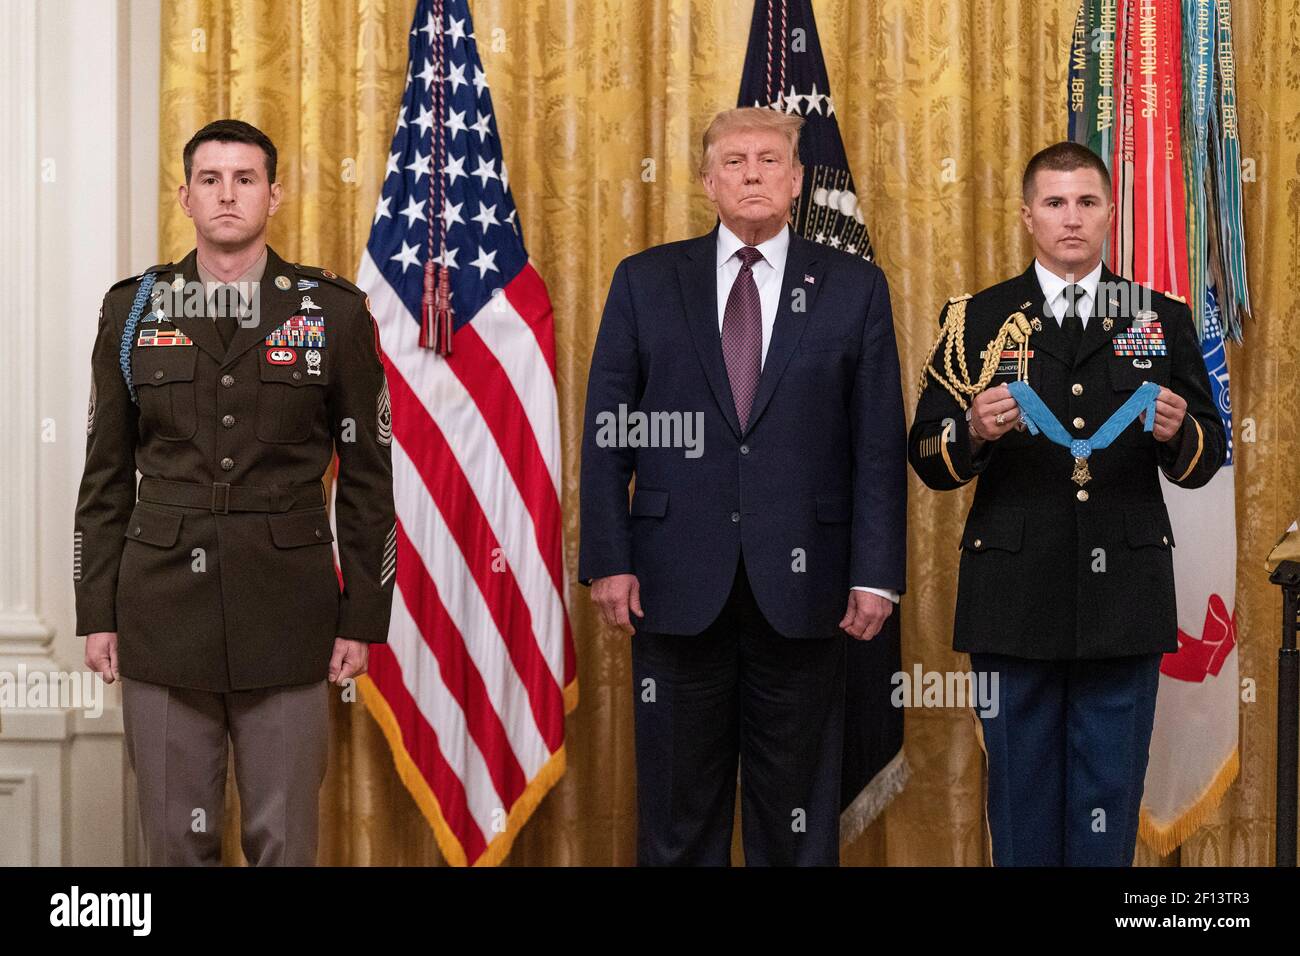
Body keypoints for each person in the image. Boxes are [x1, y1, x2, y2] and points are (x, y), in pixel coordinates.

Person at [579, 107, 907, 866]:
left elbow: (878, 446)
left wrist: (876, 576)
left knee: (794, 821)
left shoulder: (854, 288)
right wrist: (608, 555)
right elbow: (609, 434)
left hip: (807, 593)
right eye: (733, 161)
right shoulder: (645, 280)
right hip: (670, 586)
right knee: (675, 818)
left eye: (768, 160)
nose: (752, 174)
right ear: (706, 180)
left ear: (797, 179)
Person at [74, 119, 396, 865]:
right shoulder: (134, 311)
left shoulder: (334, 313)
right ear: (185, 197)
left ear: (274, 195)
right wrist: (97, 611)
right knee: (176, 844)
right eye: (211, 180)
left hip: (288, 611)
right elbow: (105, 476)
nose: (228, 194)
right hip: (159, 611)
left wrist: (363, 618)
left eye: (245, 179)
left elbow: (369, 480)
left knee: (282, 842)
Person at [908, 141, 1225, 866]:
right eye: (1054, 203)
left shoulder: (1160, 317)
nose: (1071, 218)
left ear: (1111, 212)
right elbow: (926, 453)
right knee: (1020, 804)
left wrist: (1182, 436)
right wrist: (972, 431)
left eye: (1086, 202)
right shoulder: (979, 320)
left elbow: (1210, 452)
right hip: (1013, 596)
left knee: (1106, 804)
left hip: (1124, 602)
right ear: (1027, 217)